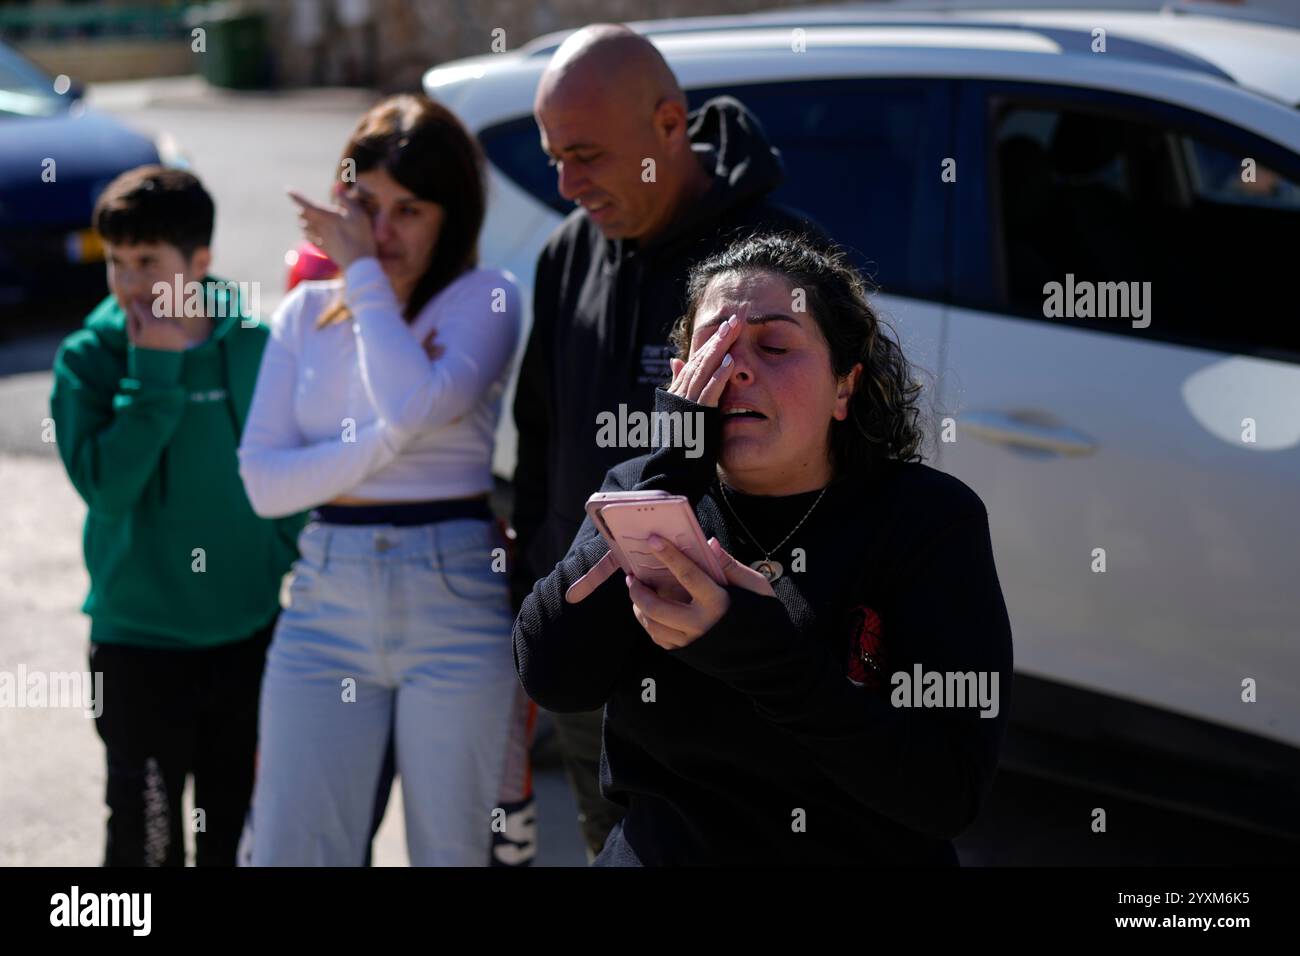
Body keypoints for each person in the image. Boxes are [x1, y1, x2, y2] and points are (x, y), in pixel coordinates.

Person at [514, 233, 1014, 865]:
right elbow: (553, 677)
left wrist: (761, 653)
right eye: (713, 349)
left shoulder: (929, 520)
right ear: (681, 379)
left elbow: (946, 794)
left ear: (844, 386)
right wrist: (672, 469)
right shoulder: (643, 489)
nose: (738, 369)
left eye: (775, 345)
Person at [511, 22, 826, 859]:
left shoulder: (779, 261)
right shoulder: (566, 254)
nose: (568, 183)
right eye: (552, 159)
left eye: (586, 155)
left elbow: (841, 461)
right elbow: (539, 433)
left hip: (722, 663)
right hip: (595, 654)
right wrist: (542, 588)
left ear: (666, 127)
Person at [237, 94, 526, 866]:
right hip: (325, 593)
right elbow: (264, 485)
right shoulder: (304, 312)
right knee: (293, 850)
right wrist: (393, 441)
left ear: (451, 216)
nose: (382, 231)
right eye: (365, 205)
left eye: (410, 209)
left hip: (454, 597)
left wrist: (360, 270)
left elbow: (413, 397)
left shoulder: (486, 295)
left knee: (453, 853)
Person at [49, 166, 302, 866]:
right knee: (146, 838)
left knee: (233, 830)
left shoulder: (256, 345)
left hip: (246, 634)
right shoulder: (88, 360)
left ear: (200, 262)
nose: (130, 283)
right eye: (118, 263)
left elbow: (290, 478)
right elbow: (105, 487)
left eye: (149, 263)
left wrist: (274, 559)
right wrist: (153, 375)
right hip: (137, 646)